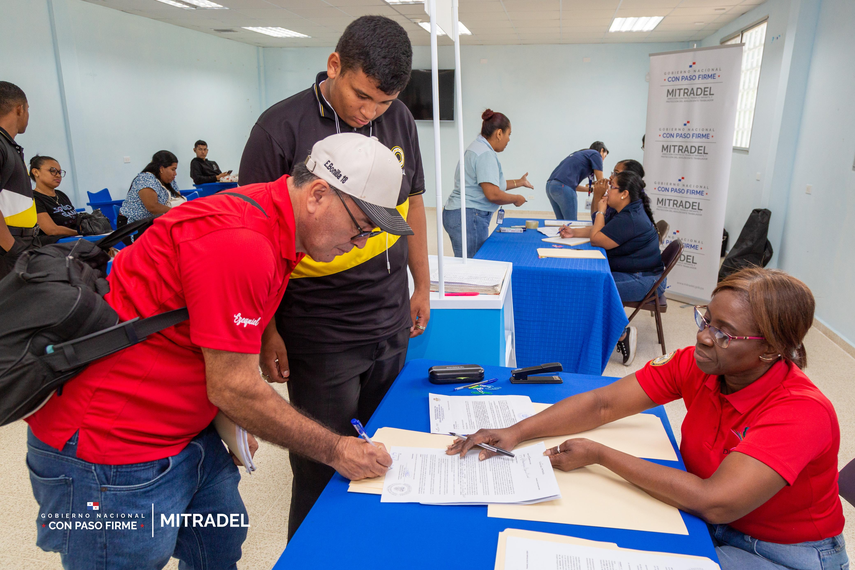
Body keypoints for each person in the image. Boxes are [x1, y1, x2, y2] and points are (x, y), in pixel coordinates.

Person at [25, 133, 404, 570]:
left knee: (218, 552)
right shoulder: (243, 241)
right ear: (319, 194)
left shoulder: (274, 216)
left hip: (190, 434)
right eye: (362, 227)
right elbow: (234, 387)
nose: (361, 243)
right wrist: (337, 449)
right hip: (113, 454)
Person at [448, 267, 847, 570]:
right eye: (706, 319)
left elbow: (716, 503)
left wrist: (601, 455)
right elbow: (603, 404)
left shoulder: (799, 412)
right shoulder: (700, 364)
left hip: (782, 552)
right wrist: (516, 431)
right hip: (708, 520)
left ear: (771, 349)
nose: (704, 337)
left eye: (726, 333)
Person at [239, 15, 431, 538]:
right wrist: (268, 329)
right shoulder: (280, 129)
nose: (369, 113)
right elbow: (253, 239)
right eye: (362, 96)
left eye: (384, 103)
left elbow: (413, 206)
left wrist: (423, 285)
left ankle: (370, 548)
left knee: (385, 450)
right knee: (323, 464)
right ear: (334, 66)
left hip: (387, 314)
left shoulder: (399, 122)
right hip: (319, 324)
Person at [569, 170, 664, 365]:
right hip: (636, 272)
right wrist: (574, 232)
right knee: (591, 280)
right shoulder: (628, 211)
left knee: (595, 288)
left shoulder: (630, 218)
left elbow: (597, 238)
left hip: (644, 280)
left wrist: (601, 210)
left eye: (612, 187)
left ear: (624, 194)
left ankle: (623, 334)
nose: (607, 191)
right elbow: (603, 231)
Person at [442, 109, 530, 258]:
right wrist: (516, 199)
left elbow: (492, 184)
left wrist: (519, 182)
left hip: (460, 214)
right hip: (469, 216)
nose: (509, 140)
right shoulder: (485, 154)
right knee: (473, 267)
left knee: (468, 263)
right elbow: (493, 194)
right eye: (509, 134)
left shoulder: (477, 147)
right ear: (499, 133)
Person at [0, 81, 35, 279]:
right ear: (19, 109)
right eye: (28, 109)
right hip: (7, 249)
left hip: (19, 243)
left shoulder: (9, 145)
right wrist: (11, 249)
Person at [546, 141, 608, 221]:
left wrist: (592, 189)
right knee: (571, 223)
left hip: (550, 186)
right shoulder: (596, 154)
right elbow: (601, 182)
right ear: (602, 150)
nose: (602, 160)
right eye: (604, 156)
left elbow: (572, 185)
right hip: (563, 187)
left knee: (561, 223)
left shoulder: (581, 154)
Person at [121, 150, 185, 223]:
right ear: (161, 169)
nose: (175, 173)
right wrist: (177, 212)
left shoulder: (170, 180)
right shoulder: (145, 179)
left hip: (154, 221)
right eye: (173, 169)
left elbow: (178, 198)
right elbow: (153, 207)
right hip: (133, 224)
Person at [30, 155, 78, 237]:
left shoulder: (61, 195)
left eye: (59, 172)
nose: (58, 175)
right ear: (36, 172)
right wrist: (81, 232)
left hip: (76, 239)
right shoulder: (33, 198)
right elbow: (52, 230)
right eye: (53, 171)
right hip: (56, 245)